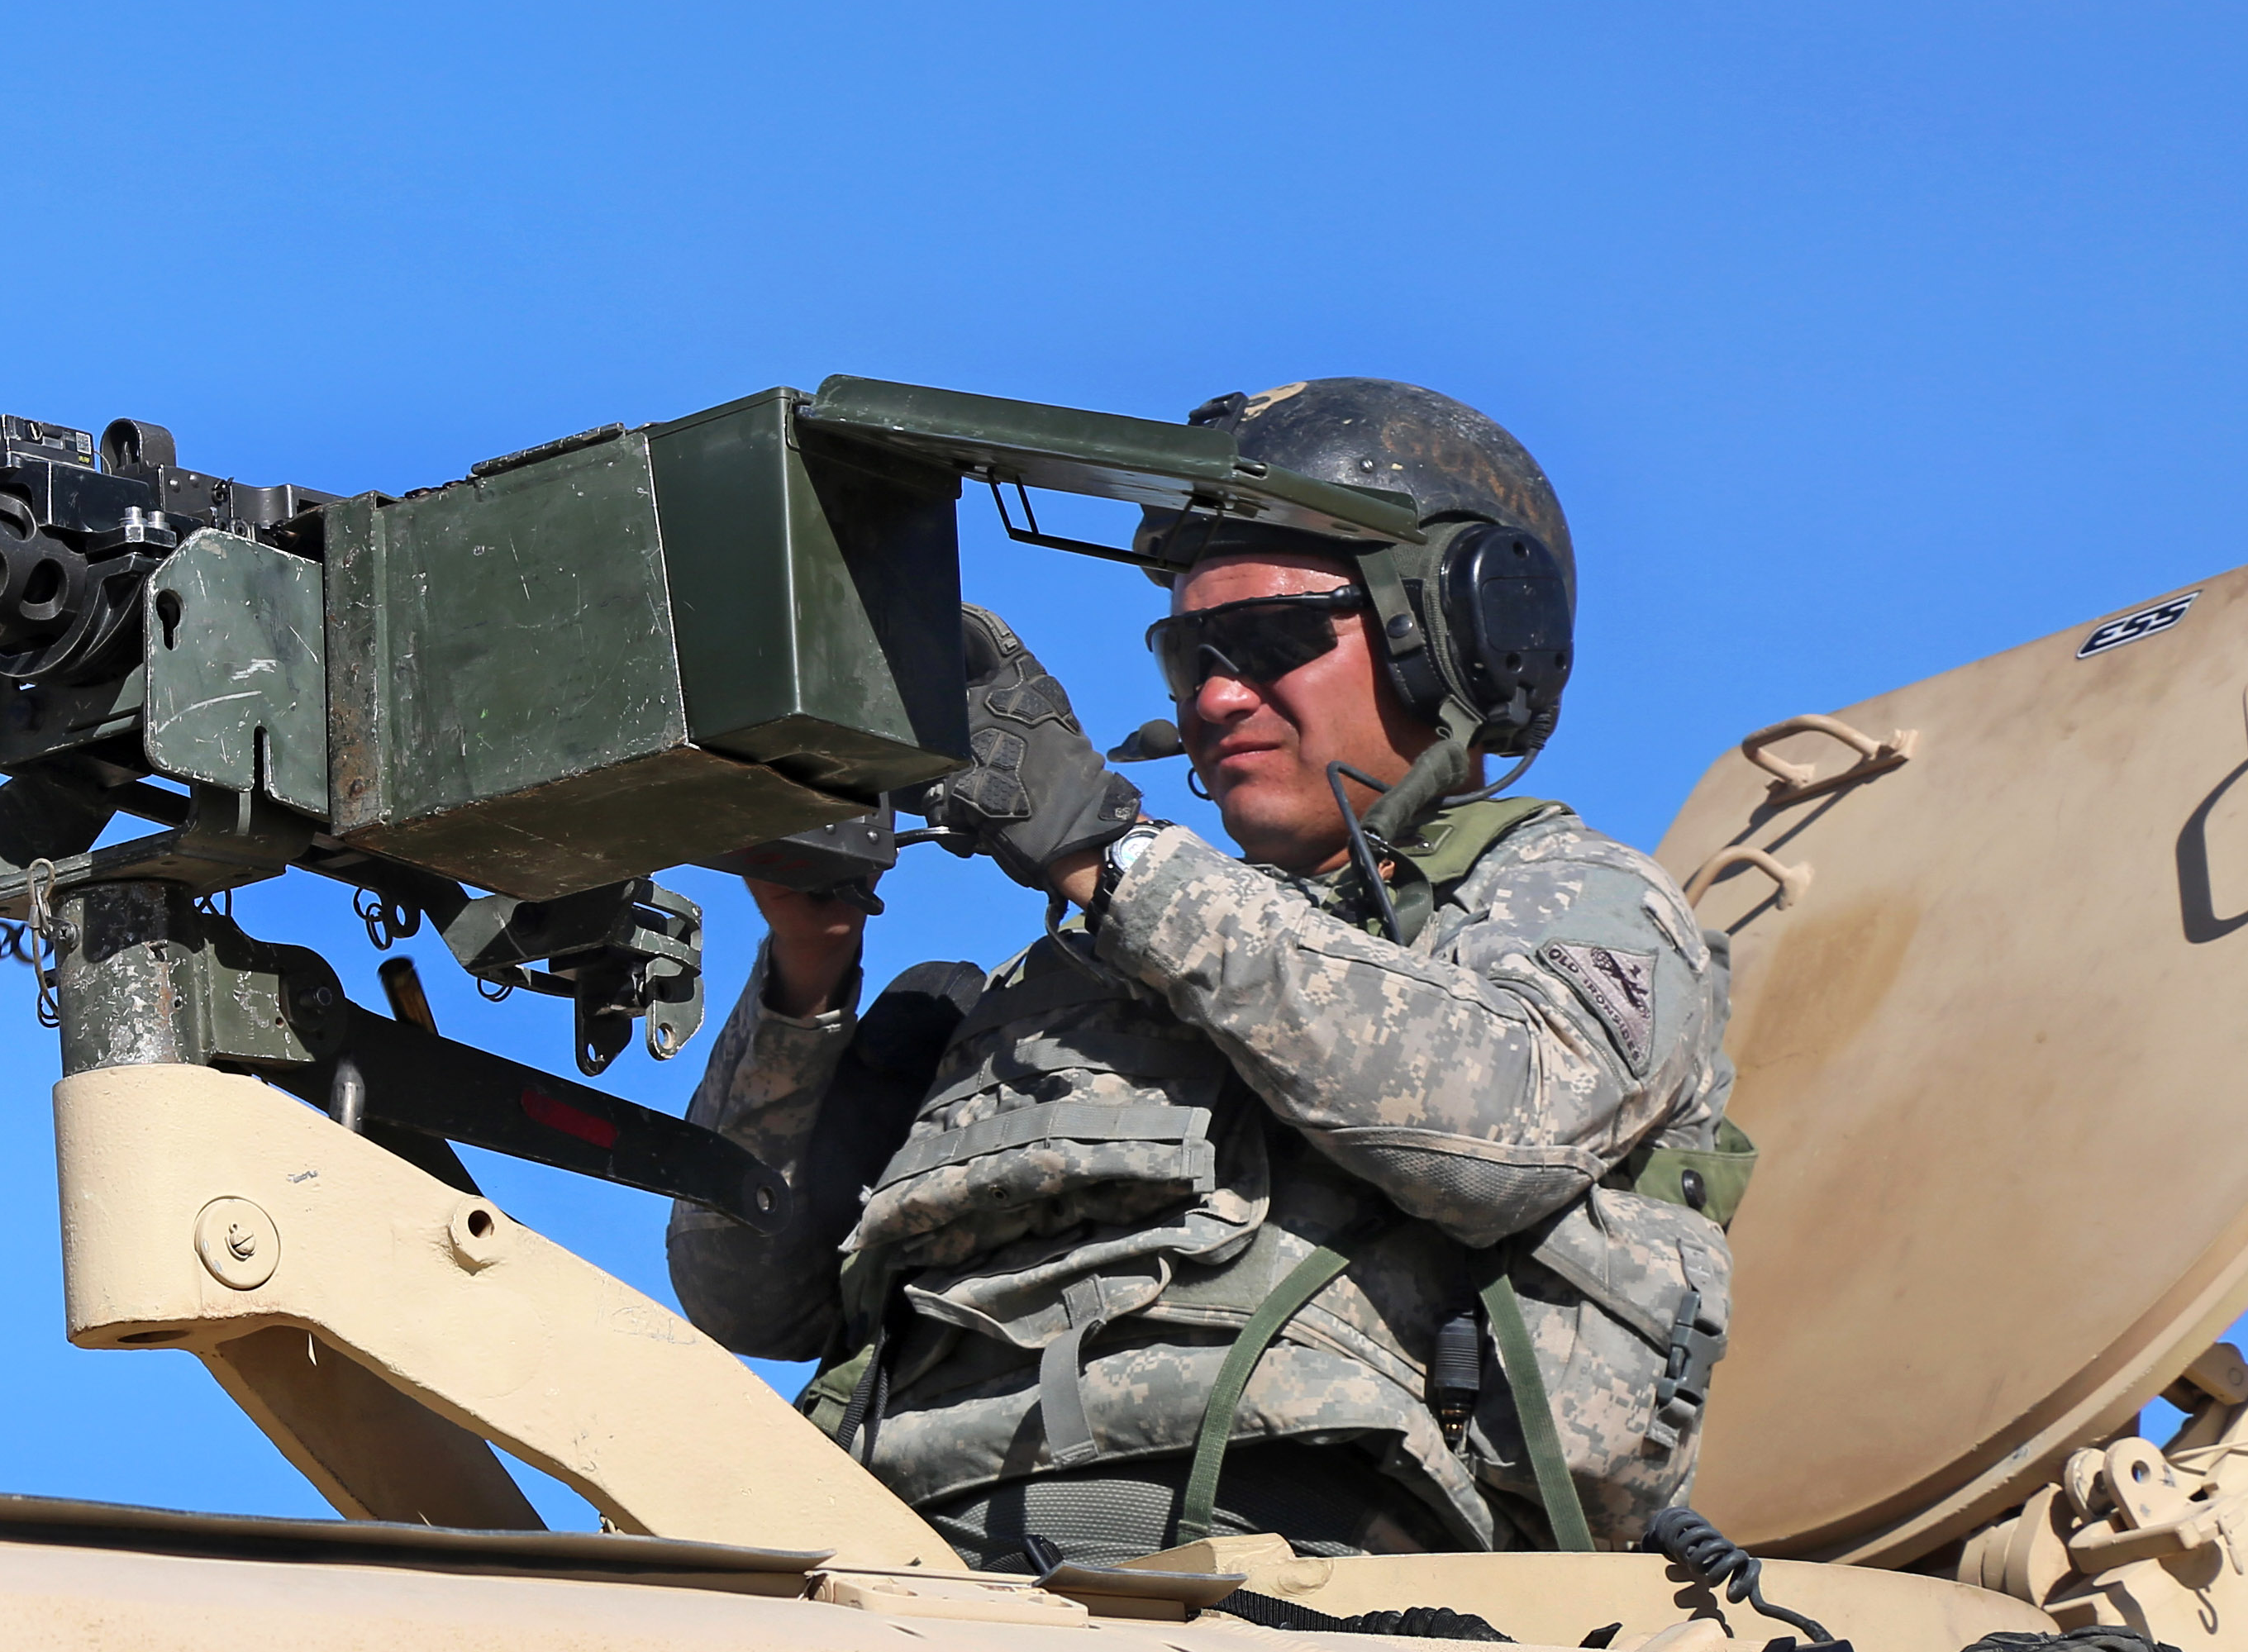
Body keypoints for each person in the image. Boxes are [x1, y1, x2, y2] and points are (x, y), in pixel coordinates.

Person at [665, 381, 1739, 1566]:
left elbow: (1504, 1125)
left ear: (1453, 639)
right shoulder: (1071, 973)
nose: (1218, 696)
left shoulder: (1564, 893)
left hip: (1280, 1593)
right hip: (891, 1568)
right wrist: (805, 968)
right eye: (1191, 652)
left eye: (1274, 644)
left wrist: (1100, 849)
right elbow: (746, 1302)